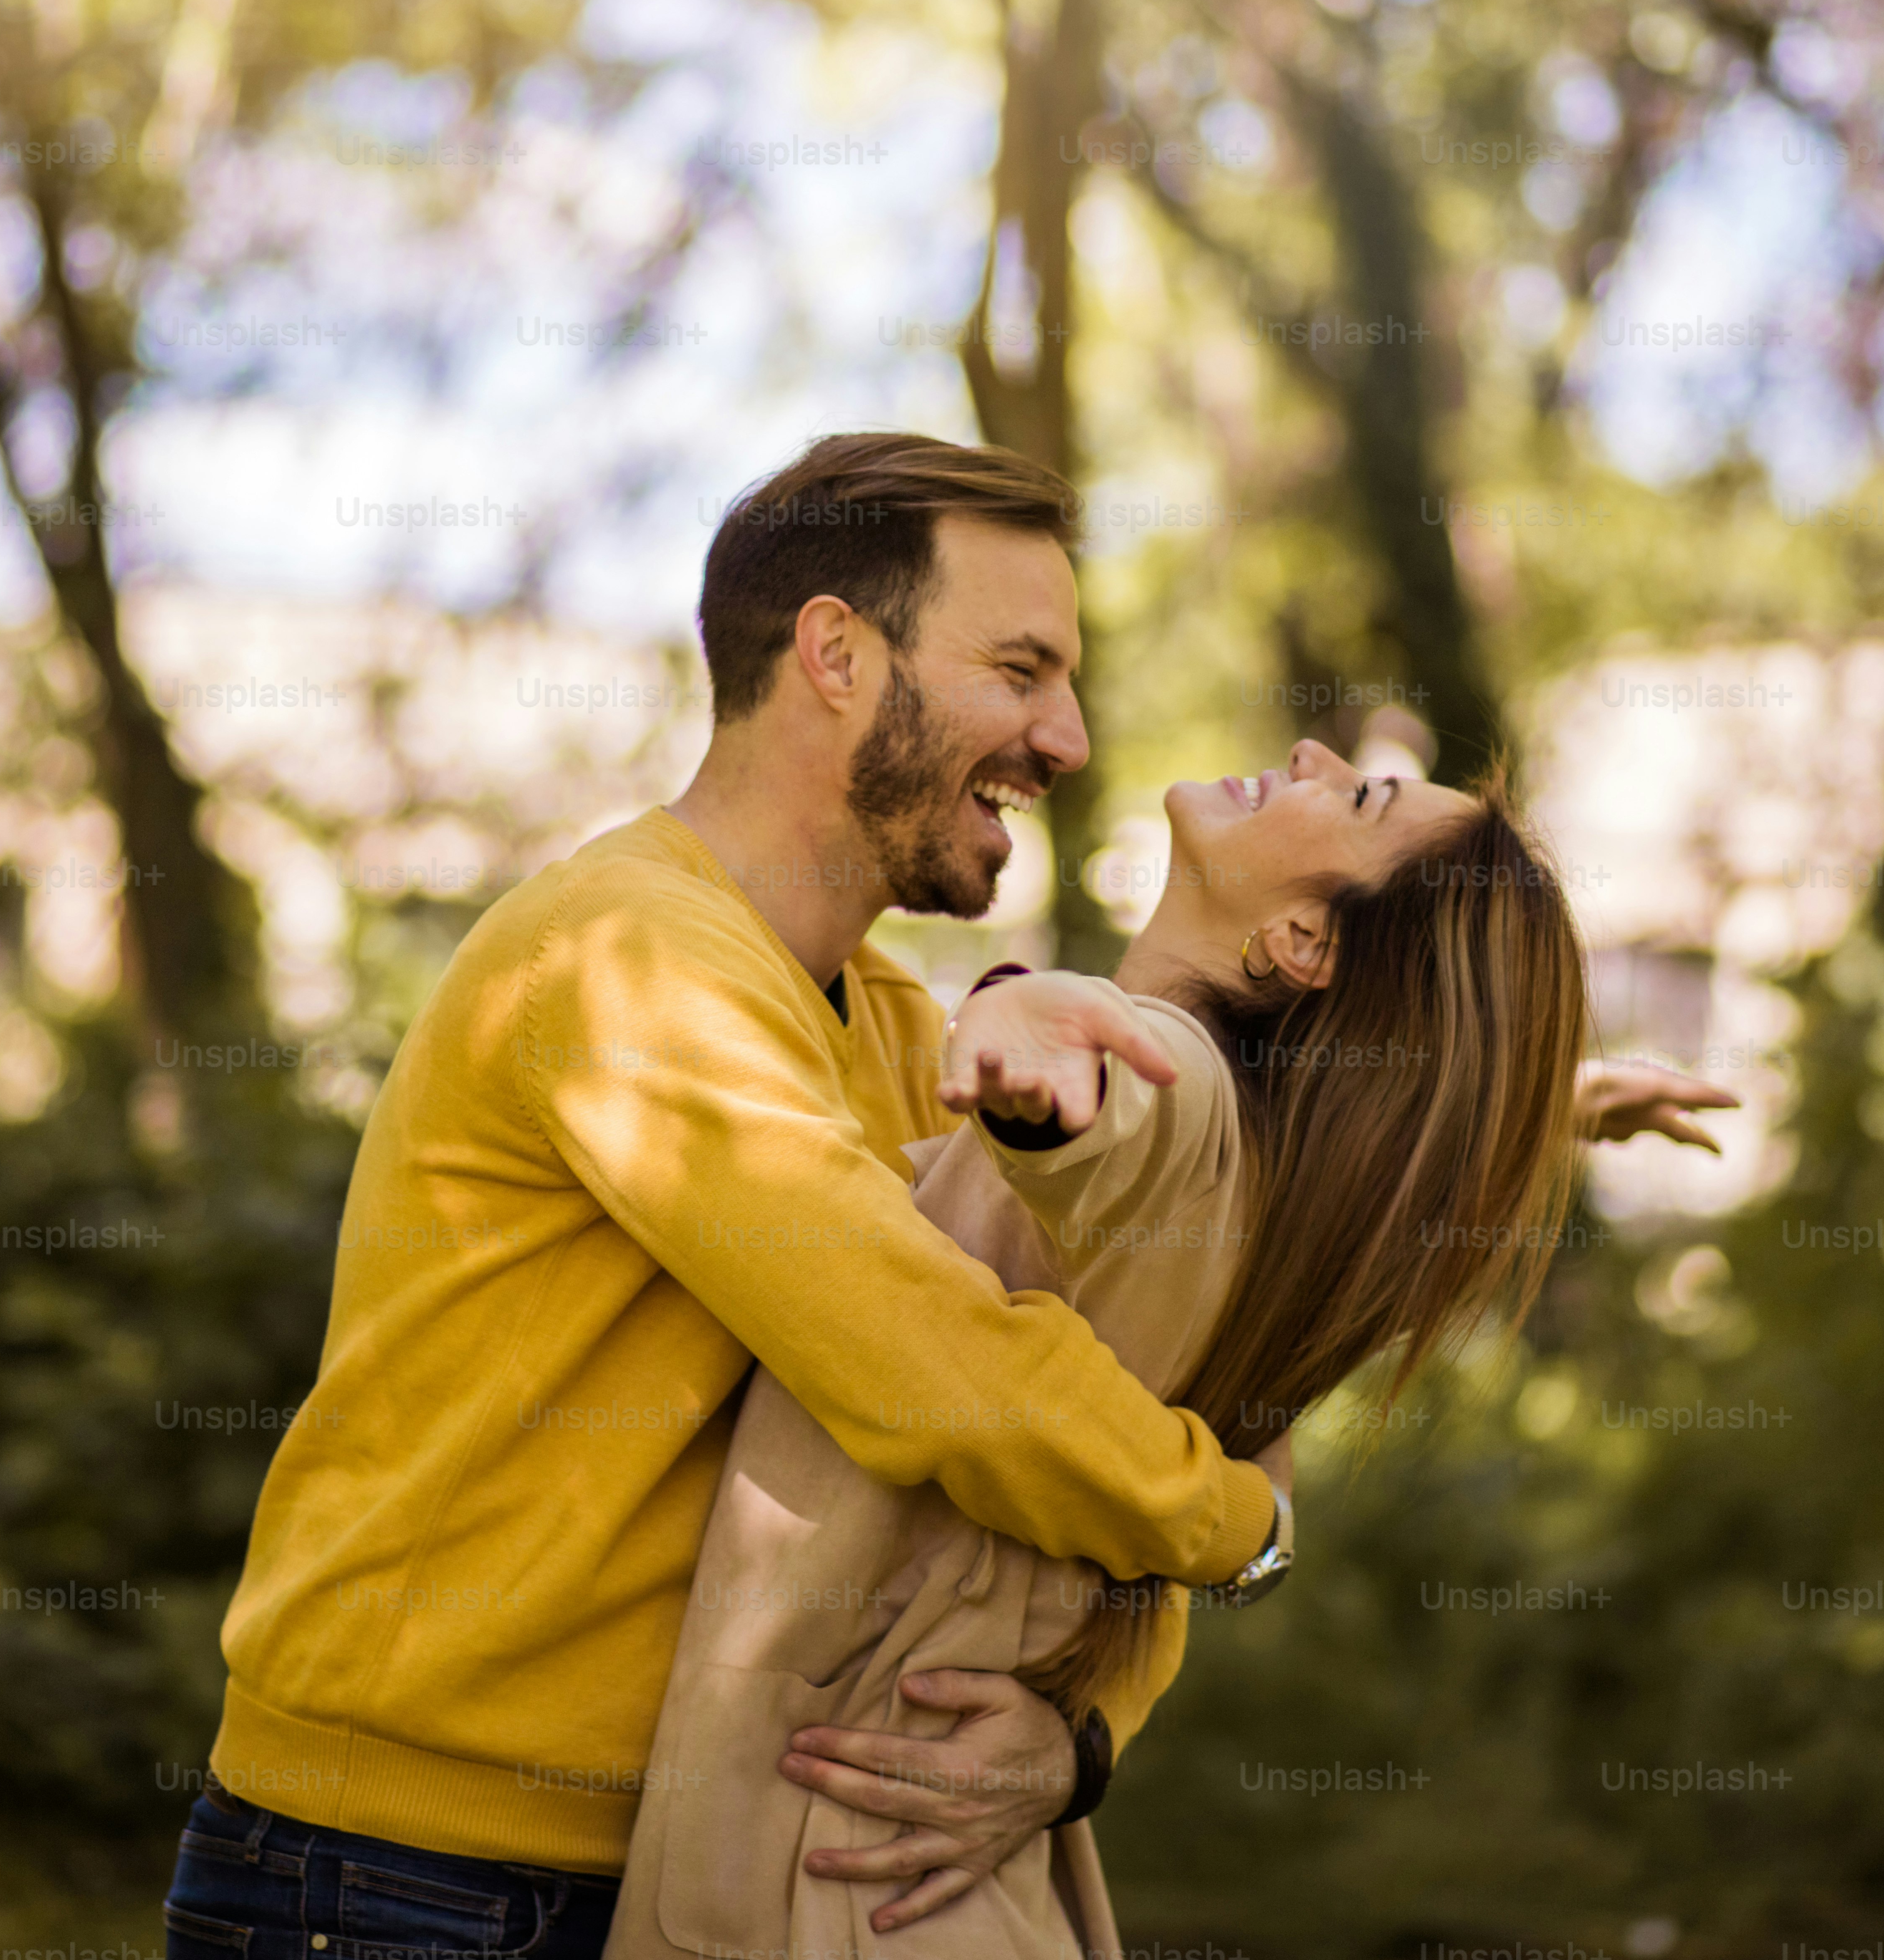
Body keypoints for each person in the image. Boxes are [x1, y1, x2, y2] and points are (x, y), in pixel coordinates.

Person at [162, 436, 1292, 1959]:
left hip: (673, 1869)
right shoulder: (619, 958)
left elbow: (1055, 1418)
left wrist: (1081, 1730)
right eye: (1019, 670)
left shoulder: (887, 1026)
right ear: (836, 653)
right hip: (393, 1882)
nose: (1068, 737)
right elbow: (937, 1369)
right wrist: (1238, 1526)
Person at [605, 741, 1730, 1958]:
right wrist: (1542, 1104)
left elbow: (1124, 1117)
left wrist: (1030, 1036)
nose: (1313, 752)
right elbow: (1326, 1146)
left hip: (838, 1892)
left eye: (1360, 797)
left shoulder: (1170, 1081)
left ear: (1303, 943)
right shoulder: (1266, 1195)